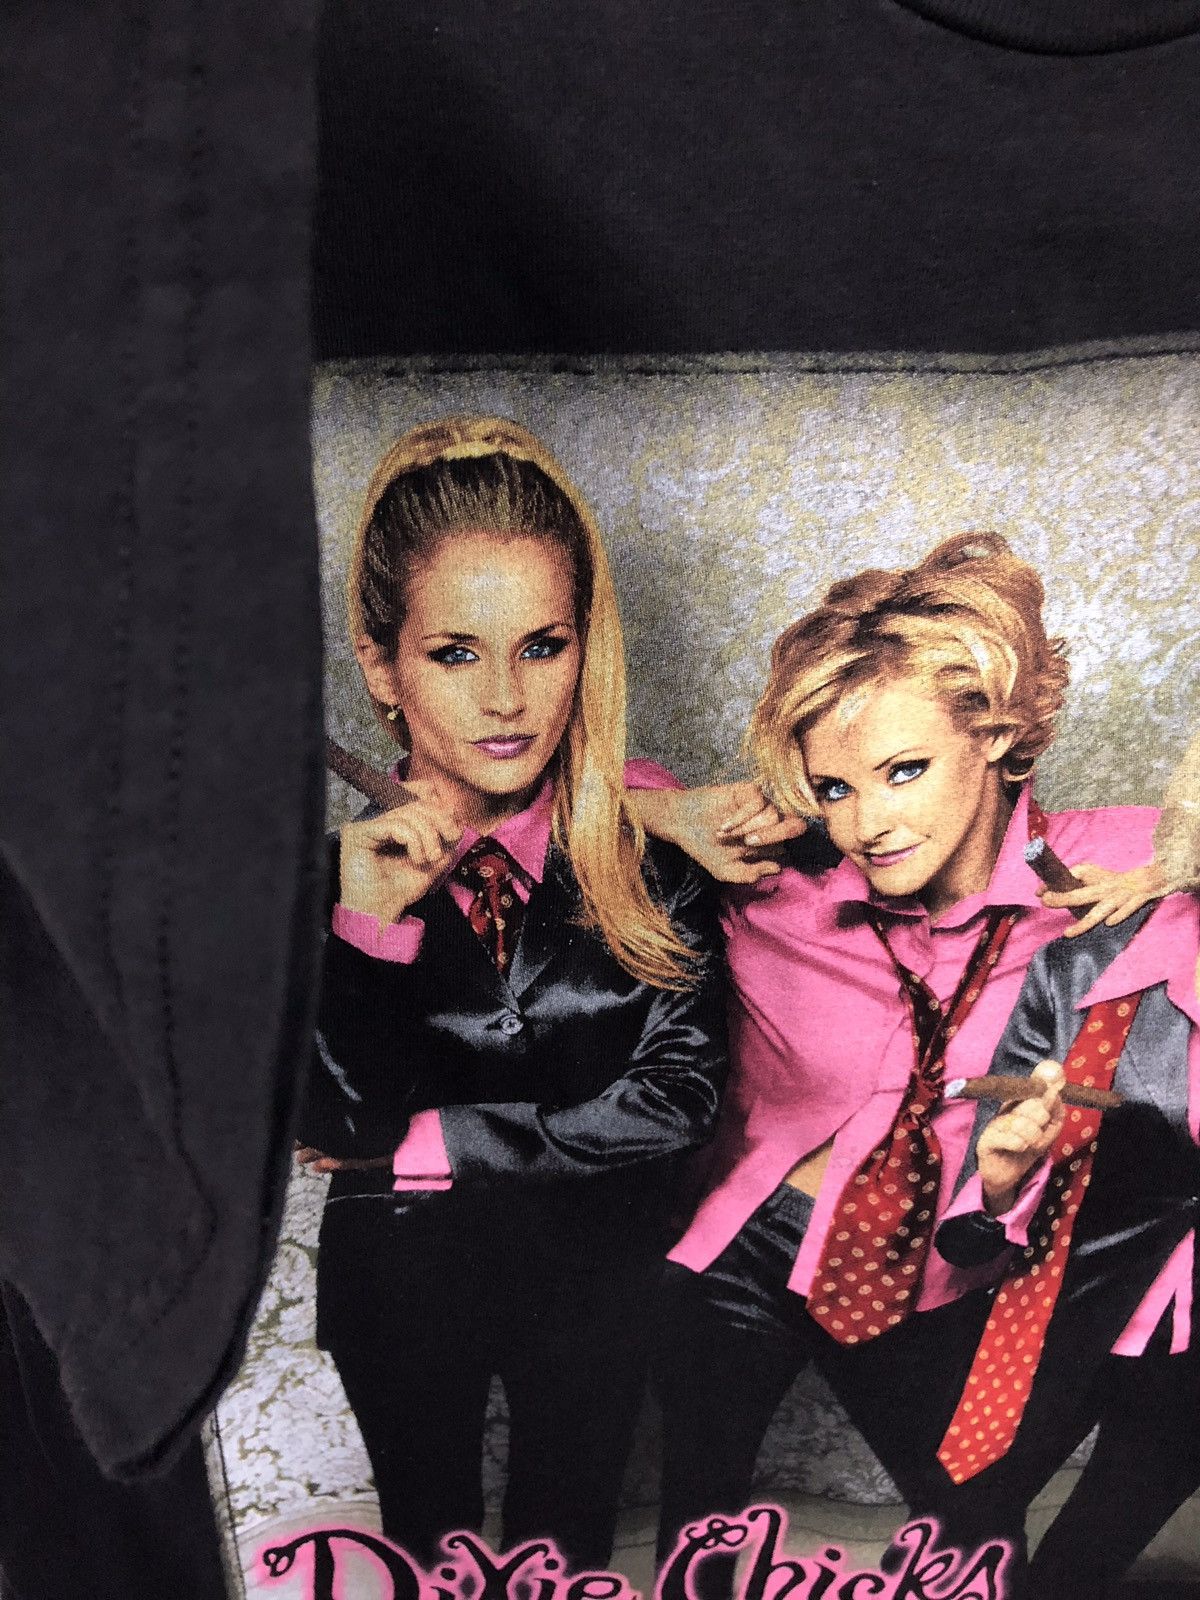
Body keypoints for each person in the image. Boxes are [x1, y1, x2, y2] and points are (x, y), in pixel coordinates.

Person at [630, 533, 1163, 1593]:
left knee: (973, 1538)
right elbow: (546, 795)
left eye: (903, 770)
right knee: (698, 1531)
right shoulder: (771, 880)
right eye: (833, 786)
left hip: (931, 1265)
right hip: (746, 1242)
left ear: (997, 734)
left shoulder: (1108, 869)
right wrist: (661, 808)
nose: (866, 823)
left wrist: (1179, 861)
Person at [295, 416, 728, 1571]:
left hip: (596, 1284)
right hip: (398, 1284)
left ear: (586, 647)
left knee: (565, 1551)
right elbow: (338, 1125)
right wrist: (366, 926)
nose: (505, 698)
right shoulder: (327, 877)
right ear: (381, 665)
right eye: (454, 652)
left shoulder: (657, 857)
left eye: (542, 645)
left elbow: (681, 1096)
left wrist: (446, 1138)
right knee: (424, 1554)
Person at [928, 729, 1200, 1597]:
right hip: (1065, 1306)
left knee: (1080, 1567)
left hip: (1187, 1372)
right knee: (961, 1531)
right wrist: (1002, 1179)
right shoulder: (1088, 963)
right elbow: (980, 1200)